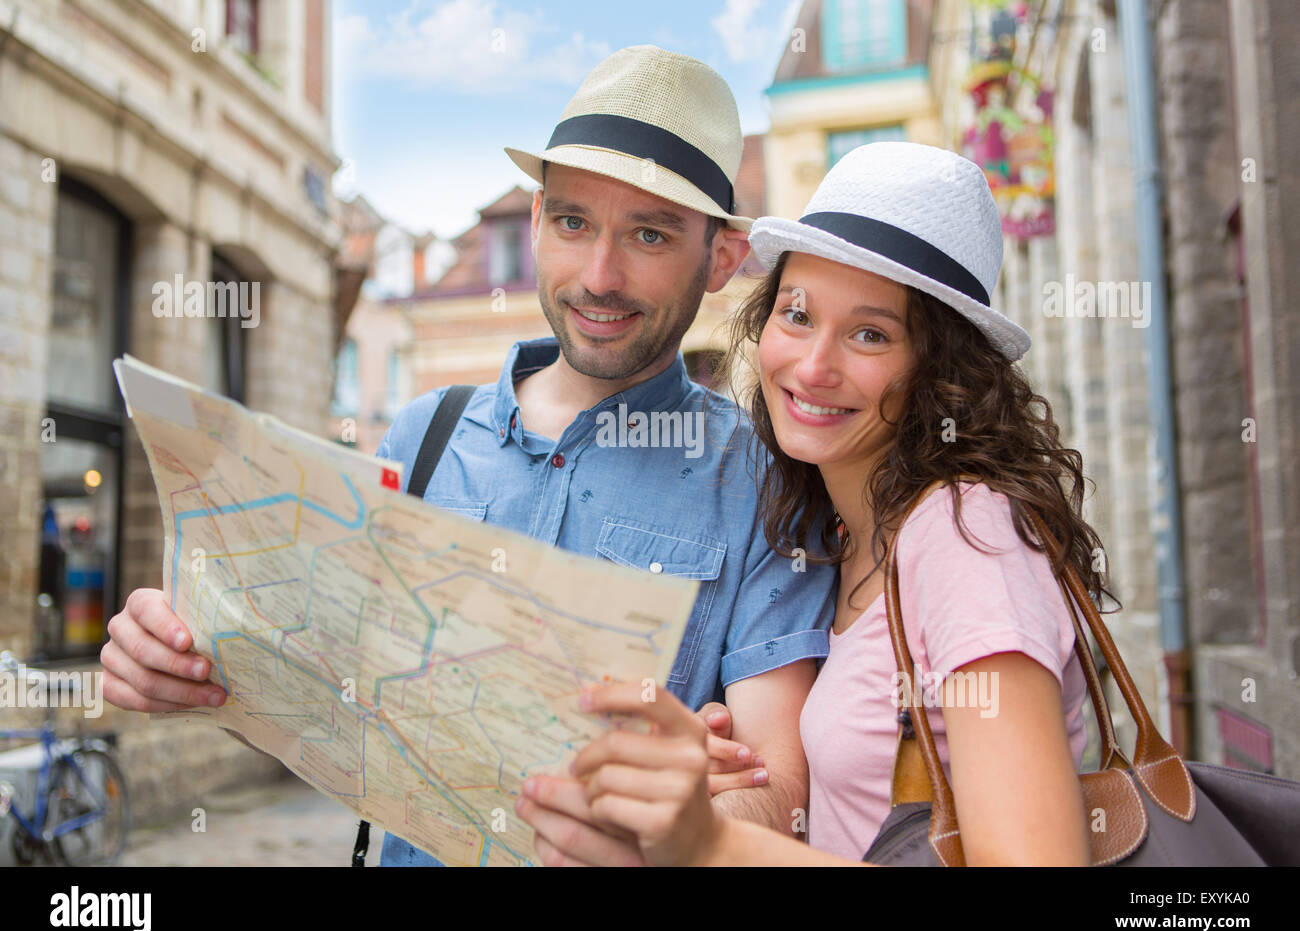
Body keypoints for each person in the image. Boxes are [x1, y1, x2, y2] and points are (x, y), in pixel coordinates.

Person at [100, 46, 838, 866]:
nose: (599, 275)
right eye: (572, 222)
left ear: (723, 259)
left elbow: (779, 797)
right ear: (534, 222)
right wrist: (187, 671)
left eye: (650, 235)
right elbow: (333, 707)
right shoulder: (425, 439)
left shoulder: (768, 481)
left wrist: (689, 819)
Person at [518, 141, 1107, 866]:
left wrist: (710, 846)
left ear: (942, 372)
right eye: (797, 316)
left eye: (870, 333)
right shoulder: (838, 534)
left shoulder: (965, 535)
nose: (814, 365)